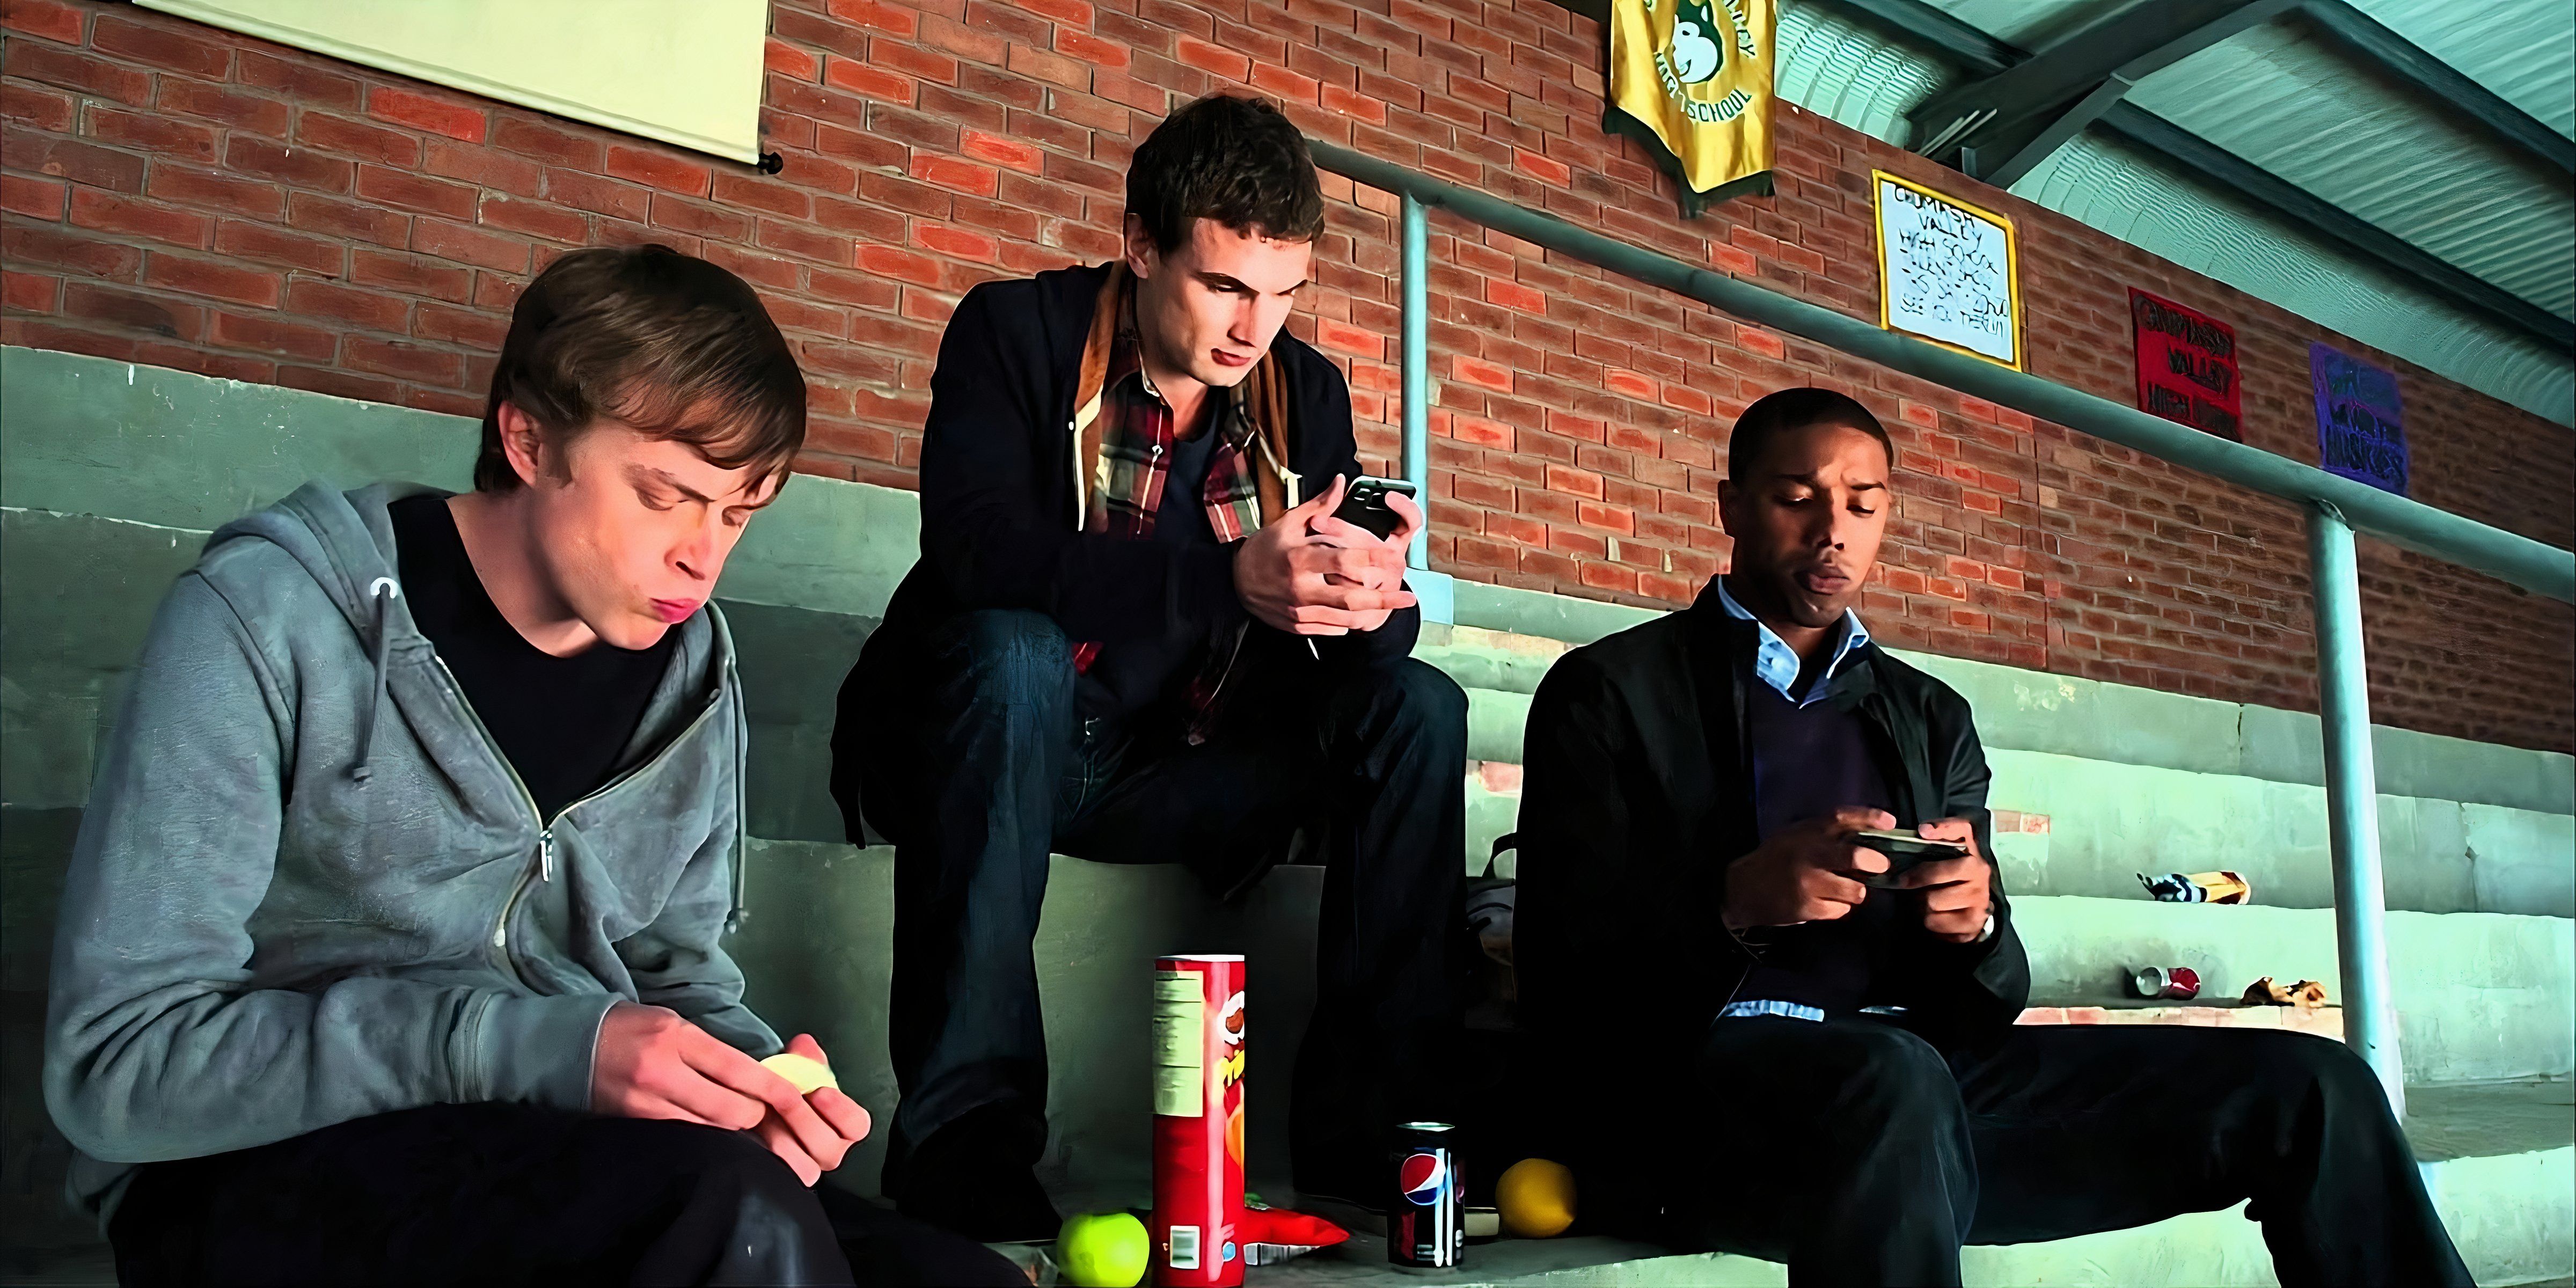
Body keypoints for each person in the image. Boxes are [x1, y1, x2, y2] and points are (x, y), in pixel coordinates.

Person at [45, 244, 1018, 1286]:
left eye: (738, 513)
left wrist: (748, 1079)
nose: (703, 557)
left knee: (967, 1281)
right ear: (528, 441)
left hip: (560, 1144)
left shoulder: (690, 676)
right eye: (665, 495)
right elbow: (121, 1059)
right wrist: (528, 1047)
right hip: (241, 1165)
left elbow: (677, 980)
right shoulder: (271, 619)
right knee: (729, 1217)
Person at [1510, 387, 2470, 1286]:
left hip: (1928, 1090)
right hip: (1697, 1103)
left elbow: (1988, 999)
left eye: (1864, 505)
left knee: (2316, 1085)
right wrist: (1734, 904)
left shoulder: (1930, 717)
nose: (1833, 531)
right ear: (1732, 506)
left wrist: (1975, 932)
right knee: (1891, 1078)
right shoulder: (1610, 692)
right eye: (1797, 499)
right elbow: (1563, 970)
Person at [832, 92, 1468, 1239]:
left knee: (1417, 706)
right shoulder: (1017, 331)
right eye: (1224, 286)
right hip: (994, 738)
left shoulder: (1303, 393)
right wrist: (1226, 579)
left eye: (1284, 293)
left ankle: (1372, 1133)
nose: (1253, 328)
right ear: (1140, 245)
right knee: (1013, 649)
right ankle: (965, 1146)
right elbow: (976, 554)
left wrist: (1370, 601)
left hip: (1176, 760)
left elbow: (1342, 637)